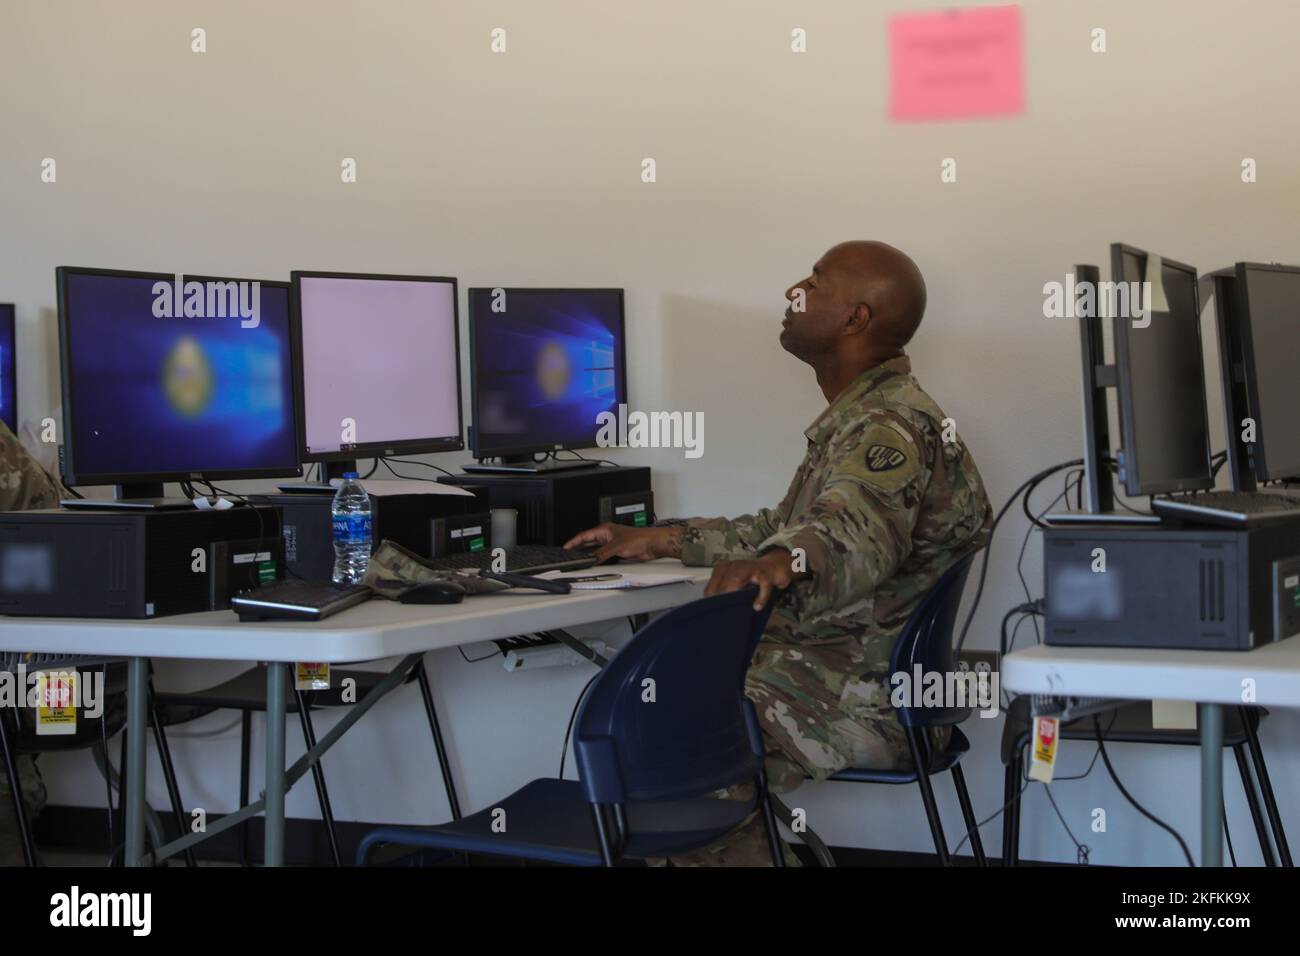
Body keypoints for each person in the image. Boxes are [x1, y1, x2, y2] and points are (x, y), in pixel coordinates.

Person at [565, 241, 992, 865]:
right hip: (848, 676)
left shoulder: (889, 426)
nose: (795, 290)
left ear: (856, 320)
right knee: (659, 706)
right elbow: (785, 524)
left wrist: (782, 563)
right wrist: (658, 539)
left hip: (861, 696)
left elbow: (852, 533)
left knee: (663, 726)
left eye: (815, 283)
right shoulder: (865, 416)